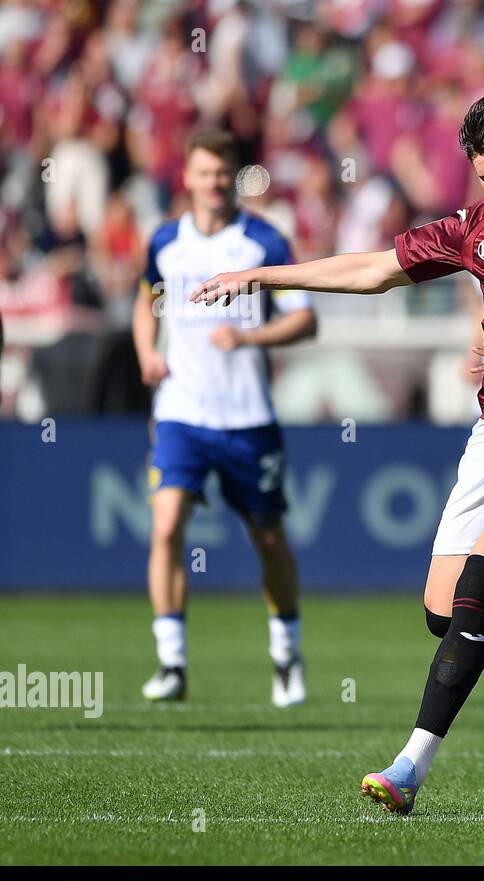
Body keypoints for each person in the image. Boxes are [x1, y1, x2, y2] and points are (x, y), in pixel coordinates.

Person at [191, 94, 484, 813]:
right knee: (443, 611)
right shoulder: (472, 231)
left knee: (483, 577)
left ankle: (410, 767)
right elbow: (372, 270)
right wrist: (264, 277)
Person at [133, 128, 318, 706]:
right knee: (165, 527)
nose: (213, 183)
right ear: (185, 177)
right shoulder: (166, 241)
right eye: (203, 172)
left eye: (222, 173)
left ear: (234, 178)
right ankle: (172, 662)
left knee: (267, 536)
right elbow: (147, 300)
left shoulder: (262, 242)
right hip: (181, 413)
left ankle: (286, 649)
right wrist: (147, 352)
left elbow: (305, 319)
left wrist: (248, 336)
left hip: (247, 416)